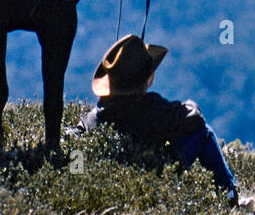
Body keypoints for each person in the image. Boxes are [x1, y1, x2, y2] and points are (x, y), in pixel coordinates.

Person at [81, 34, 242, 204]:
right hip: (152, 179)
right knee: (204, 133)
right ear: (147, 79)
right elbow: (194, 119)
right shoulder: (152, 107)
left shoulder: (94, 116)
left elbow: (77, 133)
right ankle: (229, 195)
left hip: (111, 184)